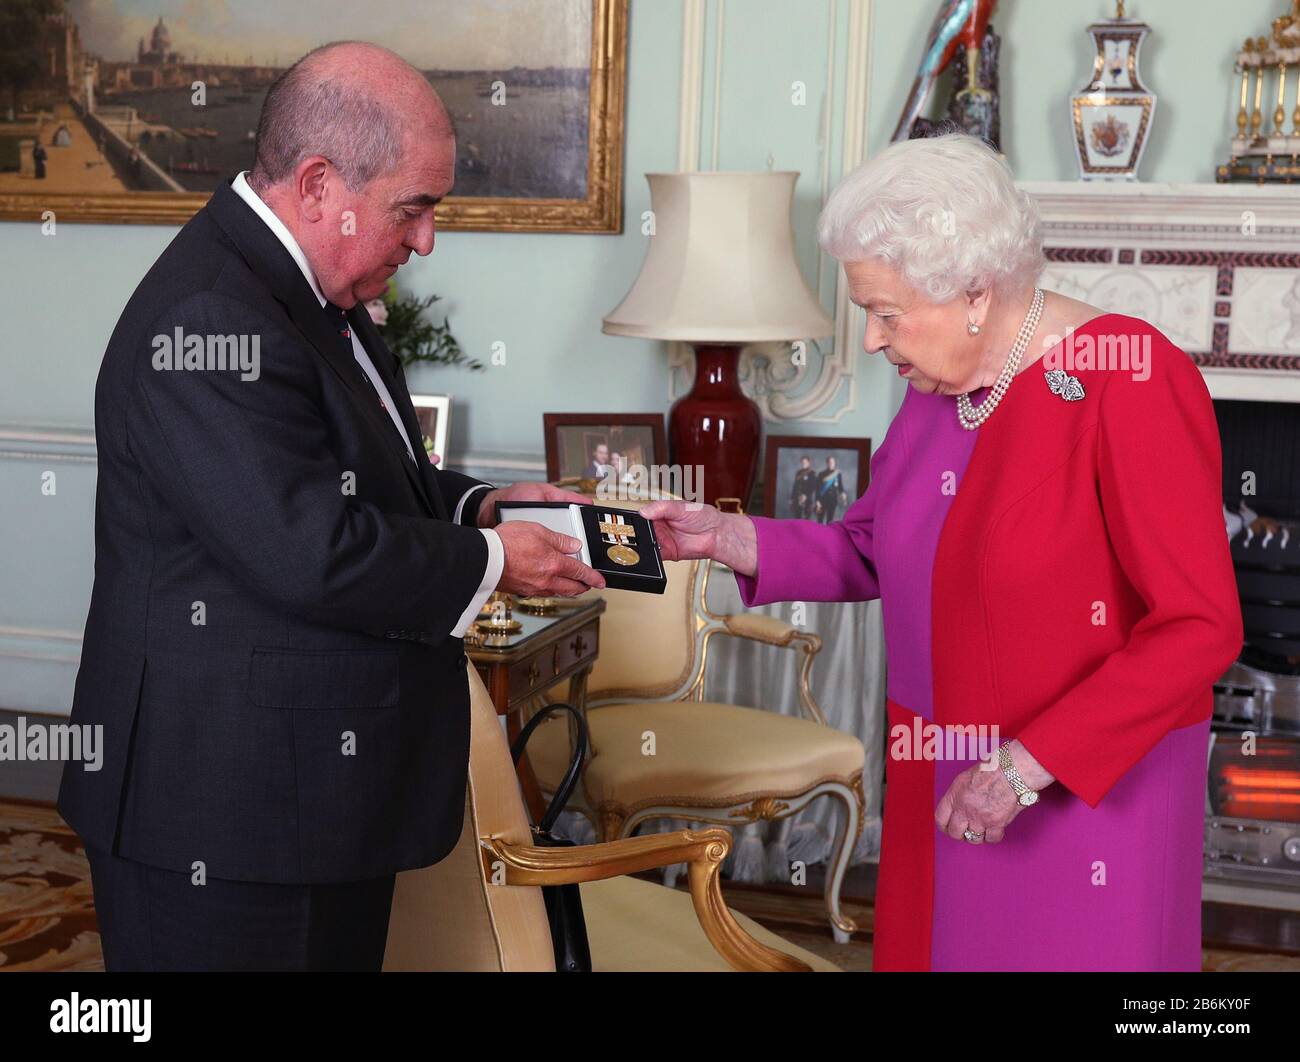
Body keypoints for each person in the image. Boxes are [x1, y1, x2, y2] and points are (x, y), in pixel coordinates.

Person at [58, 41, 604, 972]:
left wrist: (479, 504)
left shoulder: (301, 289)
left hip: (299, 792)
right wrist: (494, 560)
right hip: (223, 811)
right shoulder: (210, 318)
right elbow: (312, 548)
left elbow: (355, 470)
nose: (427, 238)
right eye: (415, 207)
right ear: (317, 184)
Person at [643, 132, 1243, 971]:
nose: (878, 341)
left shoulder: (1130, 379)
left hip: (1081, 790)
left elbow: (1200, 626)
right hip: (944, 775)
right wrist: (729, 537)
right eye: (869, 313)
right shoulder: (939, 391)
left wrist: (1026, 768)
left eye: (888, 314)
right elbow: (875, 548)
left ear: (975, 290)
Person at [815, 455, 844, 524]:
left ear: (834, 463)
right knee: (820, 520)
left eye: (832, 462)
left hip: (832, 500)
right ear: (827, 463)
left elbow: (840, 487)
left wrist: (843, 493)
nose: (831, 464)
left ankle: (827, 535)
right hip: (822, 500)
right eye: (829, 462)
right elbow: (817, 489)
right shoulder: (821, 474)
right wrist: (817, 501)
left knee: (830, 520)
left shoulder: (838, 474)